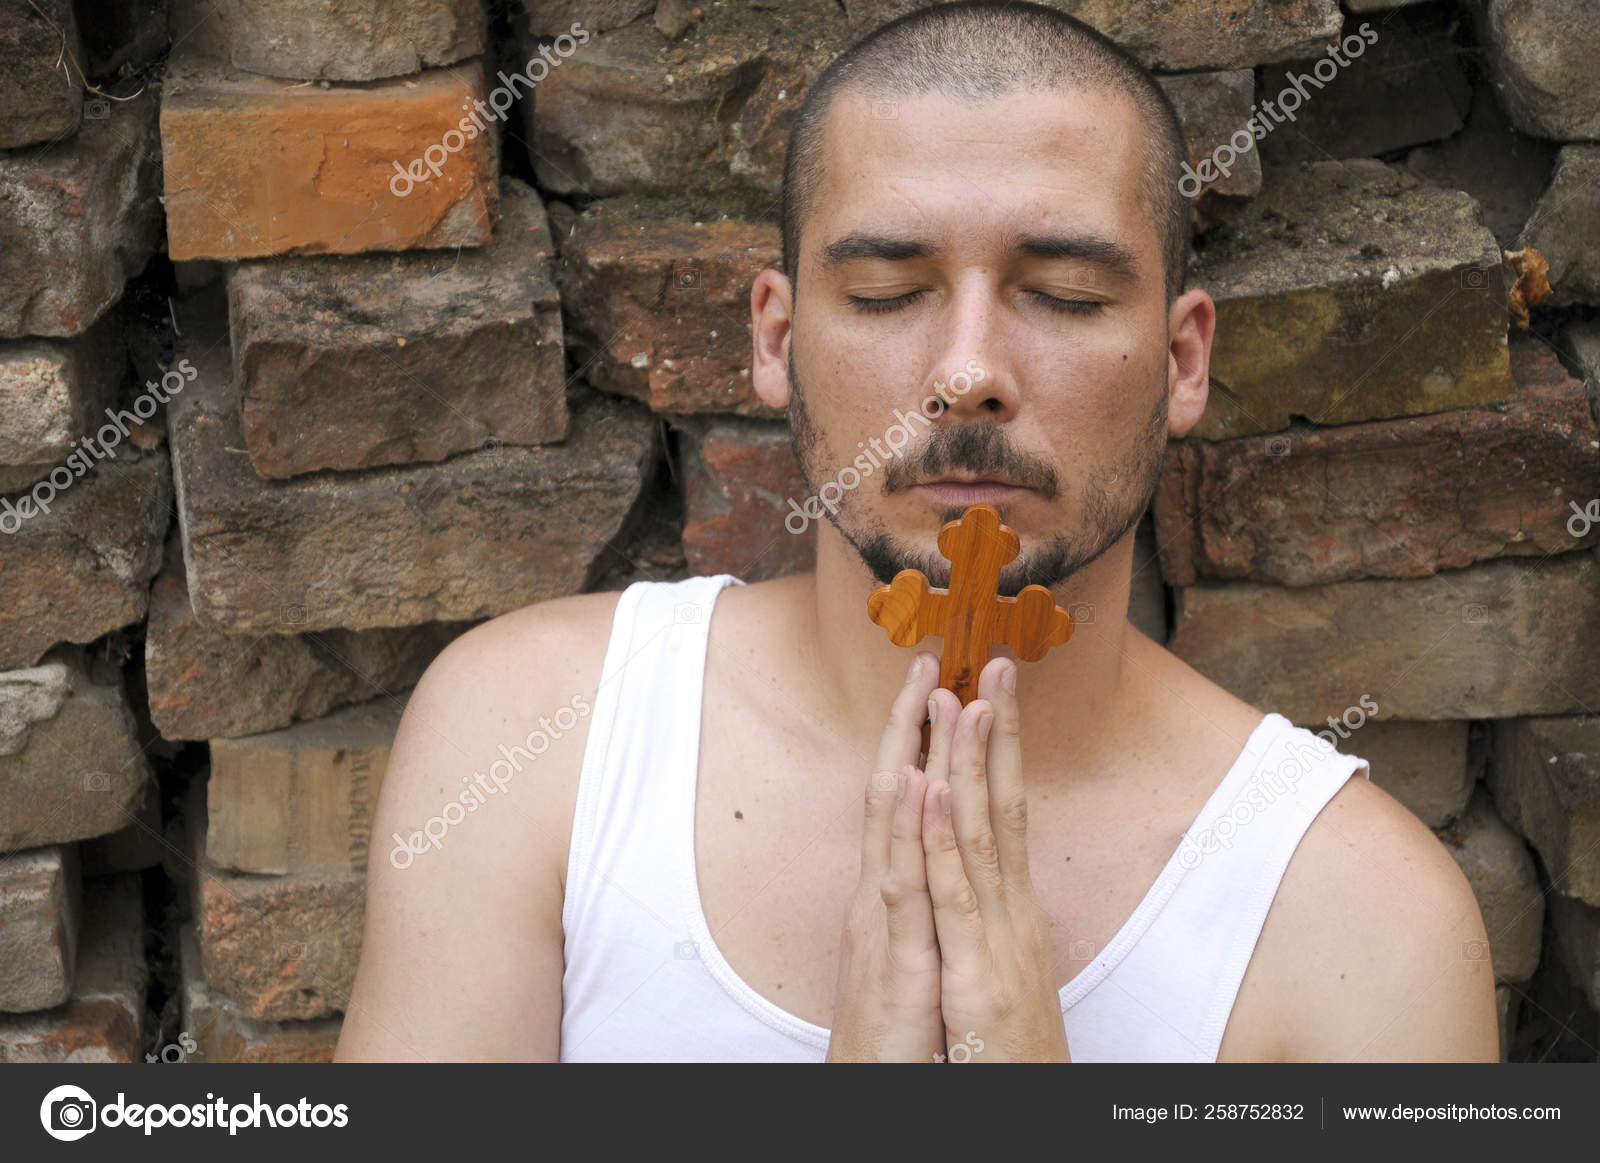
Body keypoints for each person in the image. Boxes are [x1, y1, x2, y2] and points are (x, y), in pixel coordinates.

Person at [337, 1, 1498, 1062]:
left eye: (1065, 295)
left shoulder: (1367, 925)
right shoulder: (534, 741)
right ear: (777, 339)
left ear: (1182, 359)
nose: (967, 372)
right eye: (888, 293)